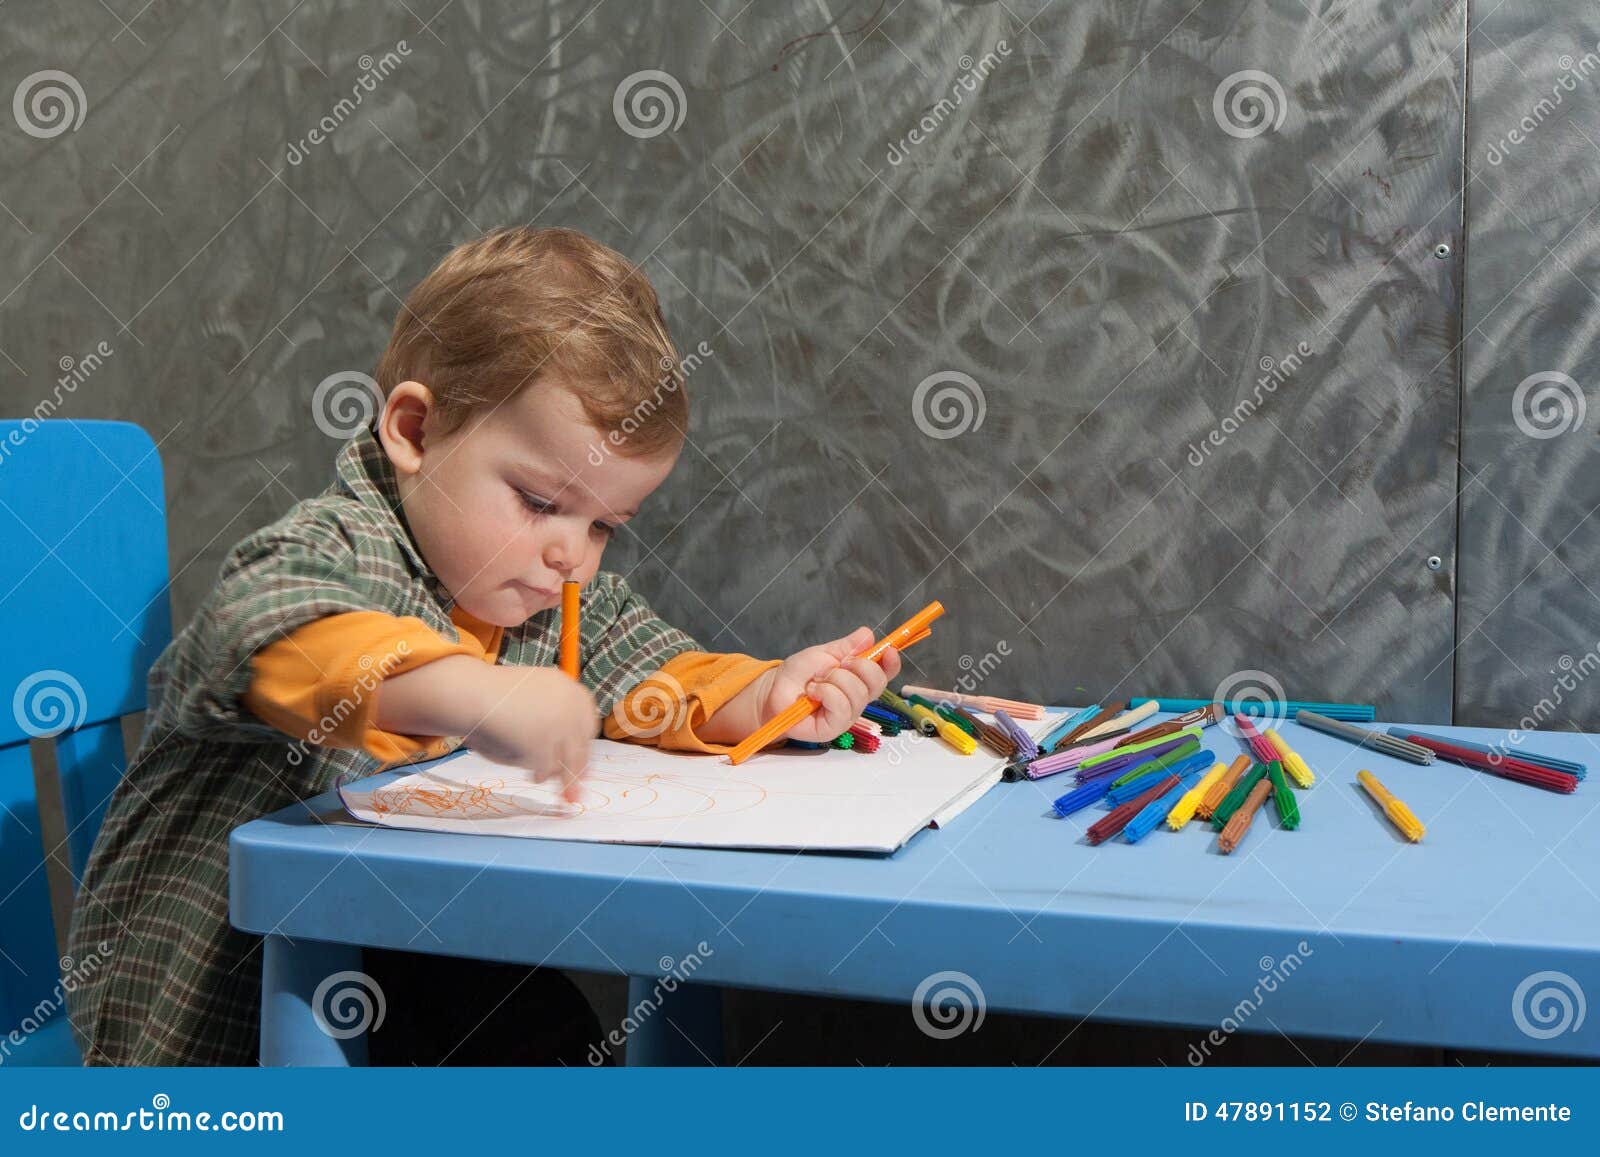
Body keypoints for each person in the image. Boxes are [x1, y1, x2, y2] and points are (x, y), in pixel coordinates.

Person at [68, 226, 901, 1065]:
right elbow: (266, 634)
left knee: (551, 1037)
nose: (570, 552)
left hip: (407, 971)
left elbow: (661, 678)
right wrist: (476, 694)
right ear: (417, 430)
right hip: (214, 1021)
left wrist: (768, 696)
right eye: (540, 501)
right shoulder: (337, 548)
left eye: (604, 523)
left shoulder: (555, 602)